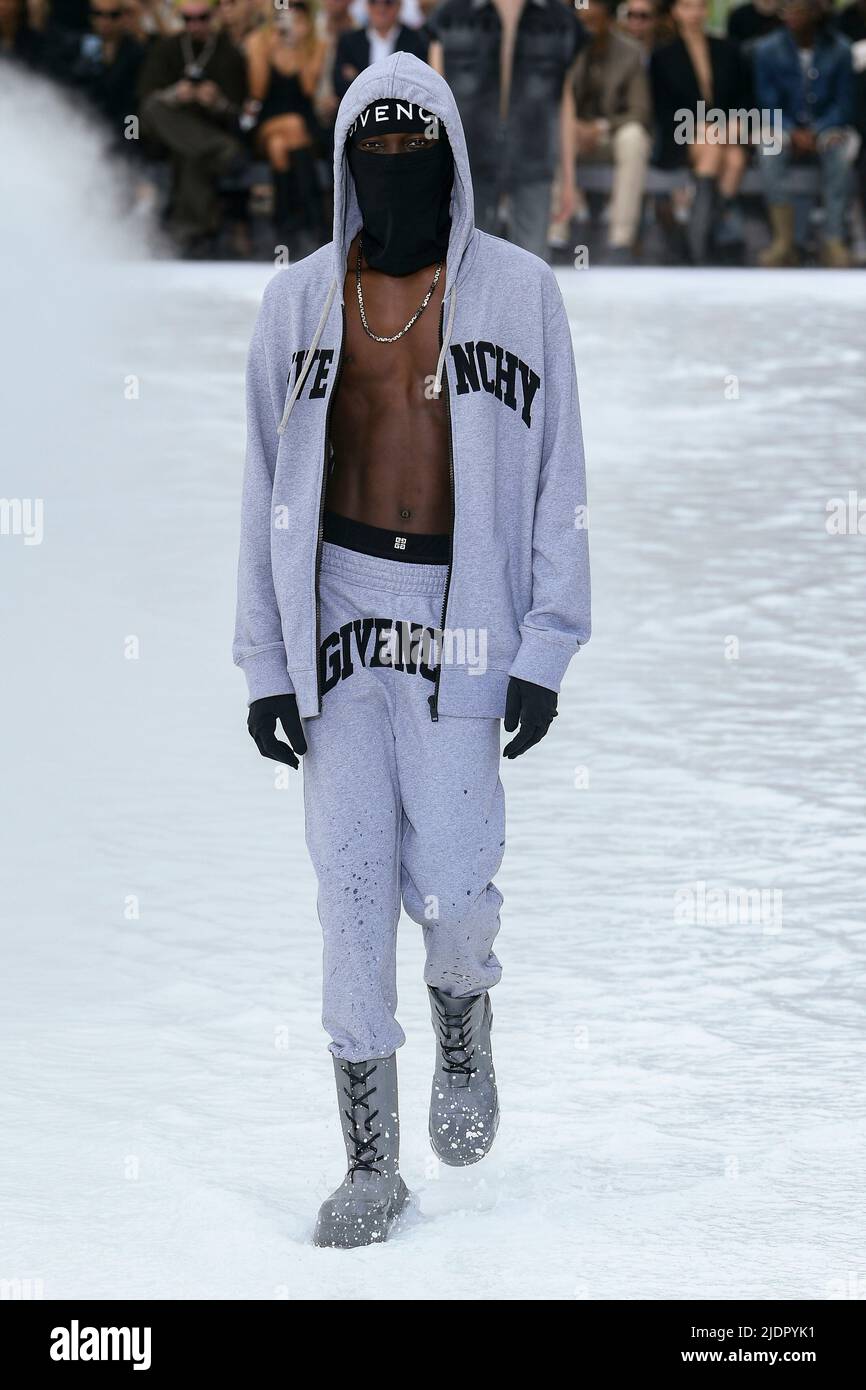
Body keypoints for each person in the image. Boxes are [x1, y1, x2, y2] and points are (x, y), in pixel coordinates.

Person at [233, 52, 590, 1247]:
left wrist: (545, 643)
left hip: (464, 611)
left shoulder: (522, 294)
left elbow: (557, 481)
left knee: (455, 875)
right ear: (343, 165)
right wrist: (262, 661)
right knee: (345, 892)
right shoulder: (293, 307)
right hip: (332, 610)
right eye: (371, 152)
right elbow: (257, 490)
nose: (393, 170)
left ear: (451, 159)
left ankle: (459, 1013)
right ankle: (371, 1159)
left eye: (413, 149)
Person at [427, 0, 584, 263]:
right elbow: (433, 98)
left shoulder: (560, 20)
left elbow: (563, 102)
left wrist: (569, 178)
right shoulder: (451, 15)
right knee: (469, 267)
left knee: (532, 269)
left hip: (533, 157)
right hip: (468, 160)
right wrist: (434, 168)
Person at [137, 0, 247, 255]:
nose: (195, 25)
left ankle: (188, 234)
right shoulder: (167, 48)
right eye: (188, 19)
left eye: (202, 18)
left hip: (206, 133)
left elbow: (238, 112)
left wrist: (216, 102)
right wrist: (176, 95)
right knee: (155, 109)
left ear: (214, 16)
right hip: (174, 133)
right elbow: (146, 98)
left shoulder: (228, 53)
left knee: (190, 153)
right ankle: (222, 150)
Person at [755, 0, 857, 267]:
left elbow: (845, 103)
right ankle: (783, 241)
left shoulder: (841, 49)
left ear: (816, 12)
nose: (791, 15)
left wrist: (819, 130)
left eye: (799, 9)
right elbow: (767, 103)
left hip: (828, 126)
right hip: (783, 125)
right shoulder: (767, 49)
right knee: (769, 145)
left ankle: (833, 239)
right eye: (787, 9)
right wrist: (791, 130)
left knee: (841, 148)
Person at [650, 0, 751, 263]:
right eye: (686, 6)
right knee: (722, 153)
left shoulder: (728, 50)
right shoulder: (663, 56)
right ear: (674, 12)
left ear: (707, 10)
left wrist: (735, 123)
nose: (694, 13)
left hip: (726, 134)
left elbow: (744, 97)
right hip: (679, 137)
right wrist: (697, 126)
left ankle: (697, 240)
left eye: (699, 6)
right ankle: (710, 242)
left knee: (733, 158)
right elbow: (662, 110)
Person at [571, 0, 652, 262]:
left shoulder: (630, 52)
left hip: (611, 133)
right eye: (583, 22)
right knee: (554, 135)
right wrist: (573, 125)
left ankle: (621, 241)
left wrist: (601, 127)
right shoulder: (565, 48)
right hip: (573, 133)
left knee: (635, 137)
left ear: (608, 20)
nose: (589, 28)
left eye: (594, 22)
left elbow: (640, 110)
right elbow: (552, 101)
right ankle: (558, 233)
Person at [246, 2, 328, 254]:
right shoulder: (261, 42)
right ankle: (315, 221)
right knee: (292, 126)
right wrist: (270, 50)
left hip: (303, 122)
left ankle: (285, 225)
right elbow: (257, 92)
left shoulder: (316, 45)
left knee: (279, 145)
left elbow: (307, 88)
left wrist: (298, 47)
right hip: (269, 119)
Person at [332, 0, 427, 100]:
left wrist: (359, 79)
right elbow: (340, 85)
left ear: (399, 5)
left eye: (388, 2)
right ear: (366, 5)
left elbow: (418, 84)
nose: (380, 9)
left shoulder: (417, 41)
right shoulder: (348, 42)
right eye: (373, 2)